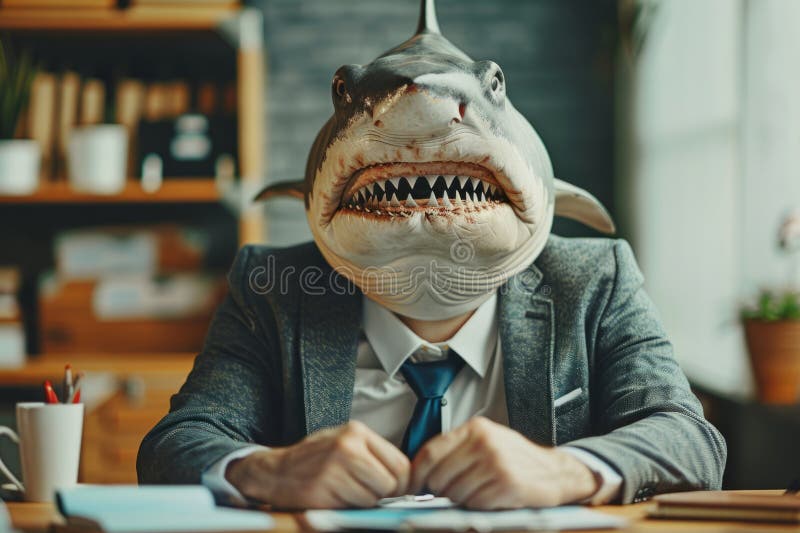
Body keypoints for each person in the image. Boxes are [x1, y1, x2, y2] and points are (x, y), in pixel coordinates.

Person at [137, 1, 726, 510]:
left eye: (480, 92)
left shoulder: (595, 279)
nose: (420, 110)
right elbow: (175, 445)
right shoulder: (274, 286)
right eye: (350, 100)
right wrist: (269, 470)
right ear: (309, 193)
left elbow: (691, 441)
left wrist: (564, 469)